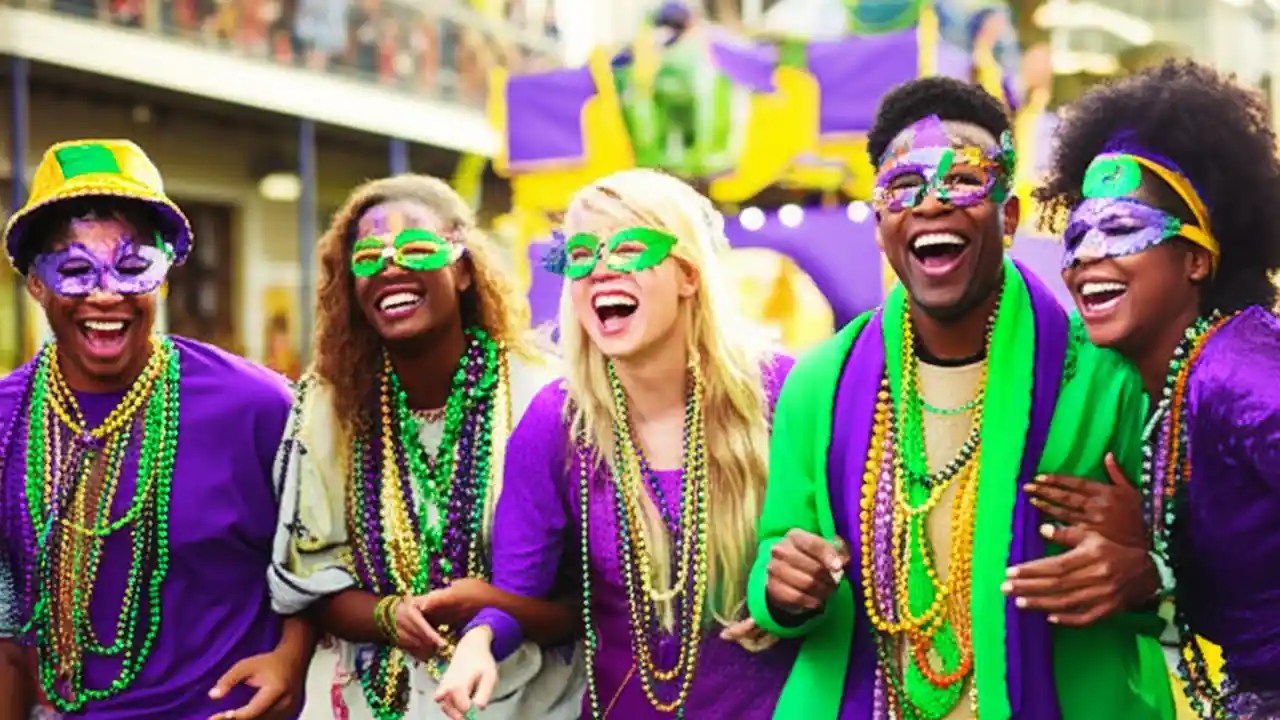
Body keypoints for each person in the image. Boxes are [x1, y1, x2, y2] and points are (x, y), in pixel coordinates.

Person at [748, 77, 1174, 719]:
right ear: (882, 223)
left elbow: (1204, 574)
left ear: (1008, 215)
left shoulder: (1105, 378)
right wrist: (785, 593)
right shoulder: (820, 385)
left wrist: (1146, 571)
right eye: (904, 189)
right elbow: (775, 563)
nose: (931, 204)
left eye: (961, 181)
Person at [432, 168, 798, 720]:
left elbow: (844, 550)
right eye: (580, 254)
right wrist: (479, 641)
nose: (600, 268)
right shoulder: (556, 422)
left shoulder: (782, 393)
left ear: (688, 275)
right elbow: (517, 593)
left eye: (628, 249)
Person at [0, 139, 313, 719]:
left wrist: (292, 656)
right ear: (35, 284)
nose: (105, 293)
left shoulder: (258, 406)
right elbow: (6, 627)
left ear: (164, 277)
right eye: (73, 269)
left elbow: (320, 556)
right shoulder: (7, 419)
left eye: (132, 265)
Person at [267, 174, 584, 720]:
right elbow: (311, 582)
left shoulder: (546, 396)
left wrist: (490, 610)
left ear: (462, 269)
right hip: (376, 702)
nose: (391, 266)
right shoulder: (327, 409)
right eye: (368, 257)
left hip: (532, 701)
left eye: (416, 247)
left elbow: (588, 595)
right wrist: (390, 616)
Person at [1026, 60, 1280, 719]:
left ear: (1196, 259)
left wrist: (1156, 562)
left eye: (1120, 228)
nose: (1085, 258)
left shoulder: (1236, 374)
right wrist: (1156, 551)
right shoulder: (1185, 381)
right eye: (1076, 234)